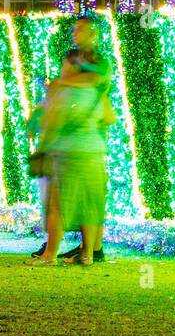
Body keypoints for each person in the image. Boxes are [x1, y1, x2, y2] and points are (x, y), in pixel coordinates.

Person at [28, 49, 115, 266]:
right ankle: (87, 254)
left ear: (74, 66)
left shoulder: (63, 90)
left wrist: (43, 147)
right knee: (89, 205)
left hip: (69, 152)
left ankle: (49, 255)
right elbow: (109, 118)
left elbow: (53, 122)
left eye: (66, 65)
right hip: (94, 153)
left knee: (57, 205)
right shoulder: (97, 91)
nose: (62, 69)